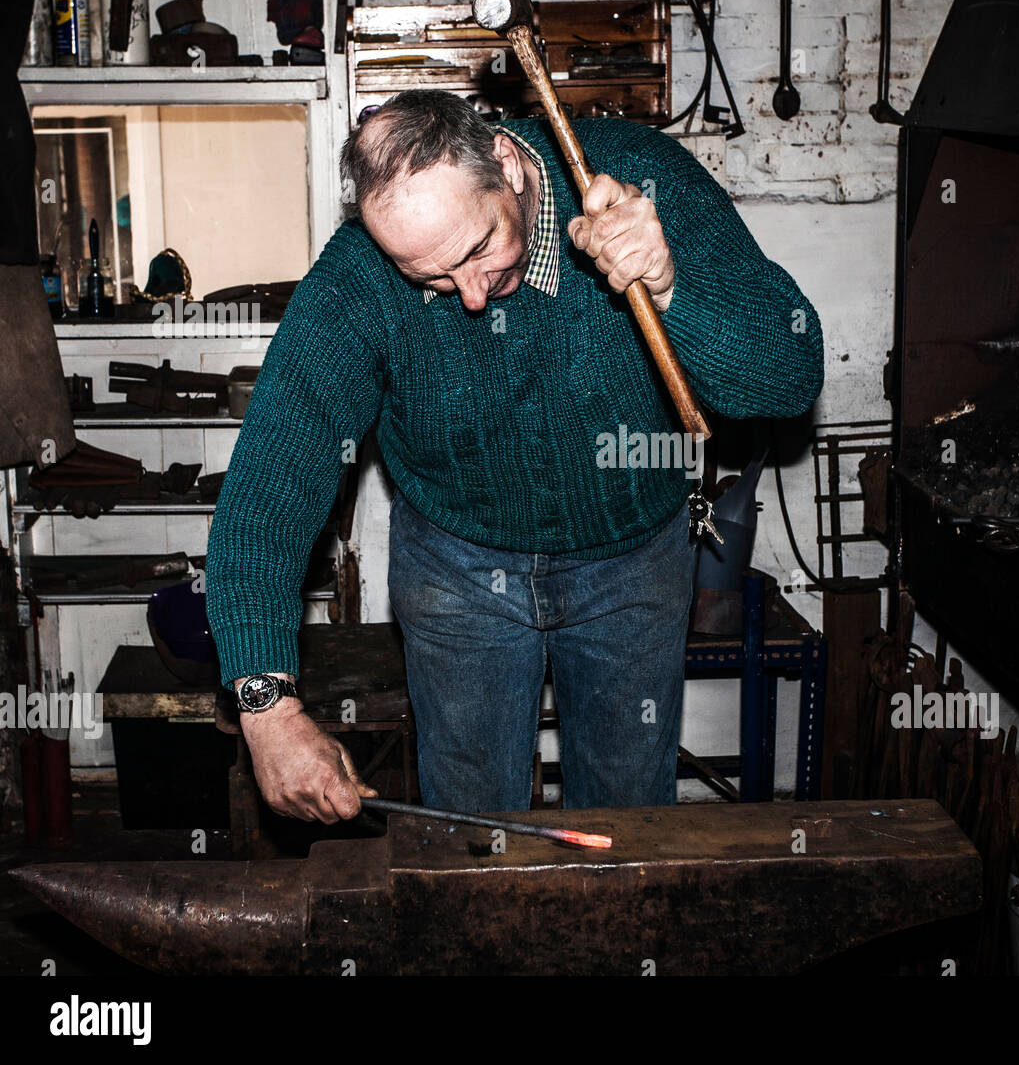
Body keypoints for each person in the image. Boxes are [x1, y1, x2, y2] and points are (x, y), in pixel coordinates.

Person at [206, 89, 823, 822]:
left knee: (625, 826)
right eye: (429, 278)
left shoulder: (640, 181)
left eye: (477, 249)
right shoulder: (361, 274)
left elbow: (789, 375)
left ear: (506, 161)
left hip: (633, 558)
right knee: (473, 829)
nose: (469, 294)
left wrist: (672, 285)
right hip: (455, 568)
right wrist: (265, 707)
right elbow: (270, 483)